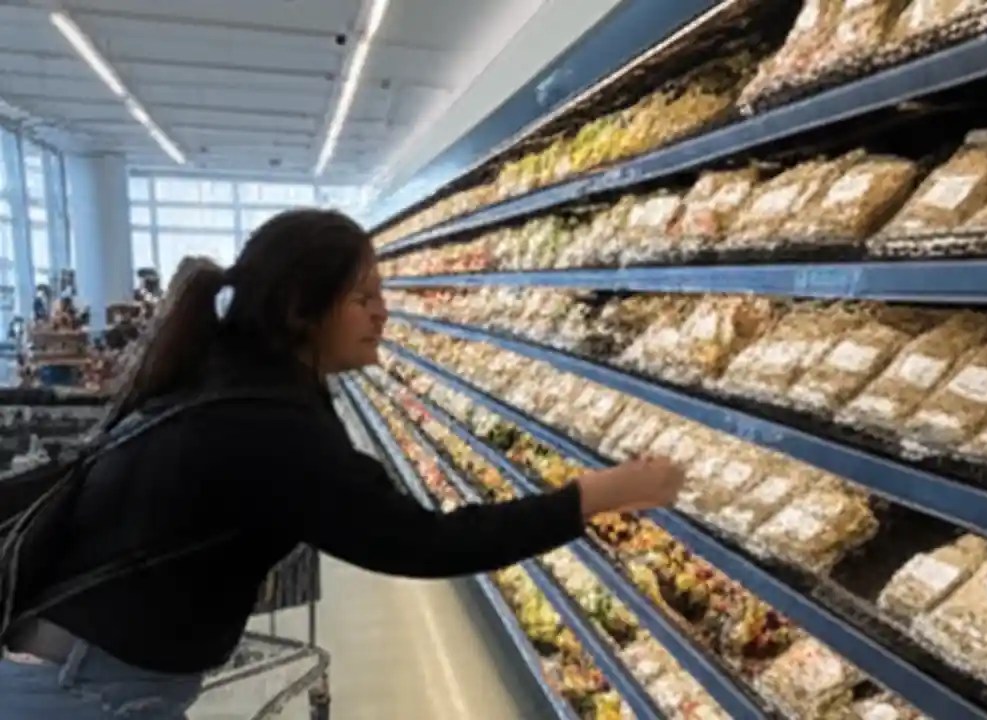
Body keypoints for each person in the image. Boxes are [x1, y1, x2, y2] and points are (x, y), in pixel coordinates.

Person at [0, 209, 685, 719]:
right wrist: (592, 495)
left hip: (74, 666)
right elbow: (421, 541)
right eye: (364, 298)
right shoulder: (269, 424)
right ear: (302, 310)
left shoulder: (235, 378)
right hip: (88, 692)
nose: (384, 314)